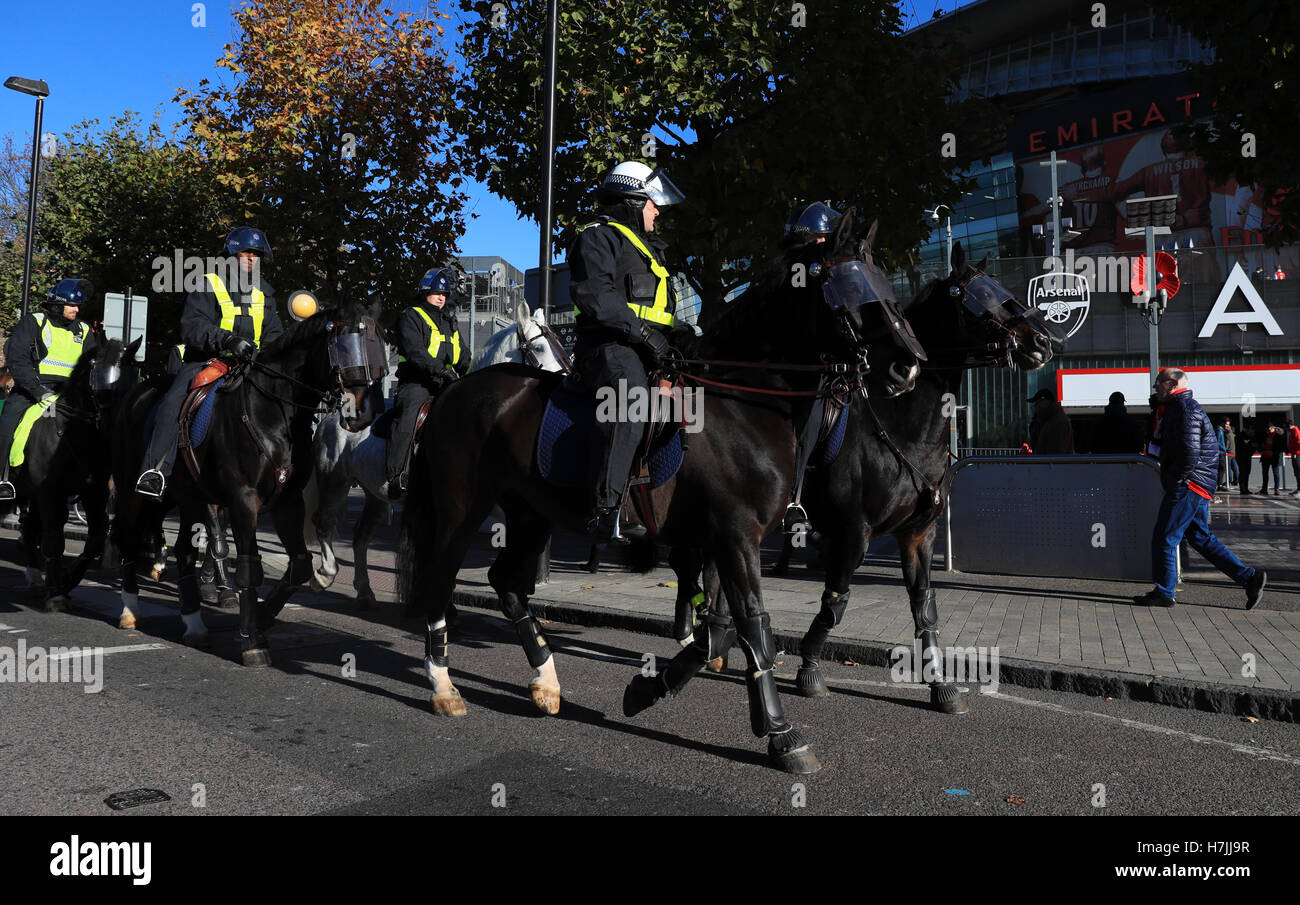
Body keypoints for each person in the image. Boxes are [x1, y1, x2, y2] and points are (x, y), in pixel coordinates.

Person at [567, 160, 684, 543]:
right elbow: (596, 297)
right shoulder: (598, 237)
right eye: (652, 203)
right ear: (632, 201)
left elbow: (662, 313)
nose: (658, 210)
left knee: (697, 399)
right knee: (632, 400)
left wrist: (686, 336)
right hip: (609, 347)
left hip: (652, 347)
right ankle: (606, 507)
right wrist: (643, 336)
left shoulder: (648, 249)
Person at [135, 227, 282, 498]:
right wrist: (227, 341)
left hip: (252, 366)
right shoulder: (208, 282)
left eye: (257, 254)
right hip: (208, 361)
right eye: (246, 252)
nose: (252, 258)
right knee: (172, 404)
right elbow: (192, 326)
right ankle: (155, 470)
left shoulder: (266, 293)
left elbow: (274, 335)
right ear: (232, 254)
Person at [1134, 368, 1266, 609]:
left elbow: (1189, 451)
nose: (1154, 388)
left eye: (1157, 383)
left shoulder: (1184, 409)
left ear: (1172, 383)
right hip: (1196, 484)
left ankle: (1164, 592)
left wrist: (1177, 480)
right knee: (1200, 538)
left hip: (1188, 484)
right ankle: (1250, 578)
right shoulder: (1177, 408)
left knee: (1165, 537)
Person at [0, 279, 99, 501]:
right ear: (57, 305)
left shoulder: (84, 330)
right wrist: (38, 391)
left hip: (70, 394)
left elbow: (90, 366)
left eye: (78, 306)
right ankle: (3, 478)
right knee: (7, 423)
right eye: (72, 305)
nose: (77, 309)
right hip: (32, 391)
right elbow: (17, 359)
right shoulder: (34, 322)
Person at [385, 267, 469, 500]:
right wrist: (440, 371)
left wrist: (465, 366)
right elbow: (415, 352)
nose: (441, 297)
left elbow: (463, 355)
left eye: (444, 293)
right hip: (417, 384)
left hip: (447, 384)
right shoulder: (410, 316)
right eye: (436, 292)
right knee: (409, 415)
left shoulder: (449, 321)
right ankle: (397, 475)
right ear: (424, 292)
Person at [1027, 388, 1074, 454]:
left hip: (1052, 463)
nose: (1035, 406)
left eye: (1037, 403)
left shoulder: (1058, 423)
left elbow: (1057, 453)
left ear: (1045, 402)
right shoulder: (1051, 420)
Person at [1259, 424, 1282, 495]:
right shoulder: (1265, 436)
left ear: (1274, 428)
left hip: (1274, 457)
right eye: (1268, 429)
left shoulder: (1278, 436)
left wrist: (1274, 452)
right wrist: (1262, 448)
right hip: (1265, 457)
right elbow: (1261, 444)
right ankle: (1264, 489)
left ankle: (1276, 489)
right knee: (1265, 474)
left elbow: (1280, 447)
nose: (1269, 430)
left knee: (1276, 473)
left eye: (1271, 428)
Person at [1237, 424, 1256, 494]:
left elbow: (1253, 446)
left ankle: (1246, 488)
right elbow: (1242, 446)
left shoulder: (1251, 437)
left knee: (1247, 473)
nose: (1252, 432)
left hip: (1248, 457)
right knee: (1242, 473)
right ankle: (1242, 489)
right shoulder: (1241, 436)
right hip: (1241, 457)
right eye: (1251, 430)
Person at [1222, 420, 1238, 489]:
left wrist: (1225, 449)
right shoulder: (1234, 435)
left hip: (1228, 454)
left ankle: (1229, 481)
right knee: (1235, 468)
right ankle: (1236, 480)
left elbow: (1227, 445)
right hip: (1234, 453)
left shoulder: (1228, 435)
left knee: (1228, 468)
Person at [1288, 419, 1300, 496]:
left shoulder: (1295, 430)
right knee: (1296, 472)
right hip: (1294, 454)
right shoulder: (1292, 431)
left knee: (1298, 472)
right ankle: (1298, 488)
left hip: (1297, 454)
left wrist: (1295, 452)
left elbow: (1299, 442)